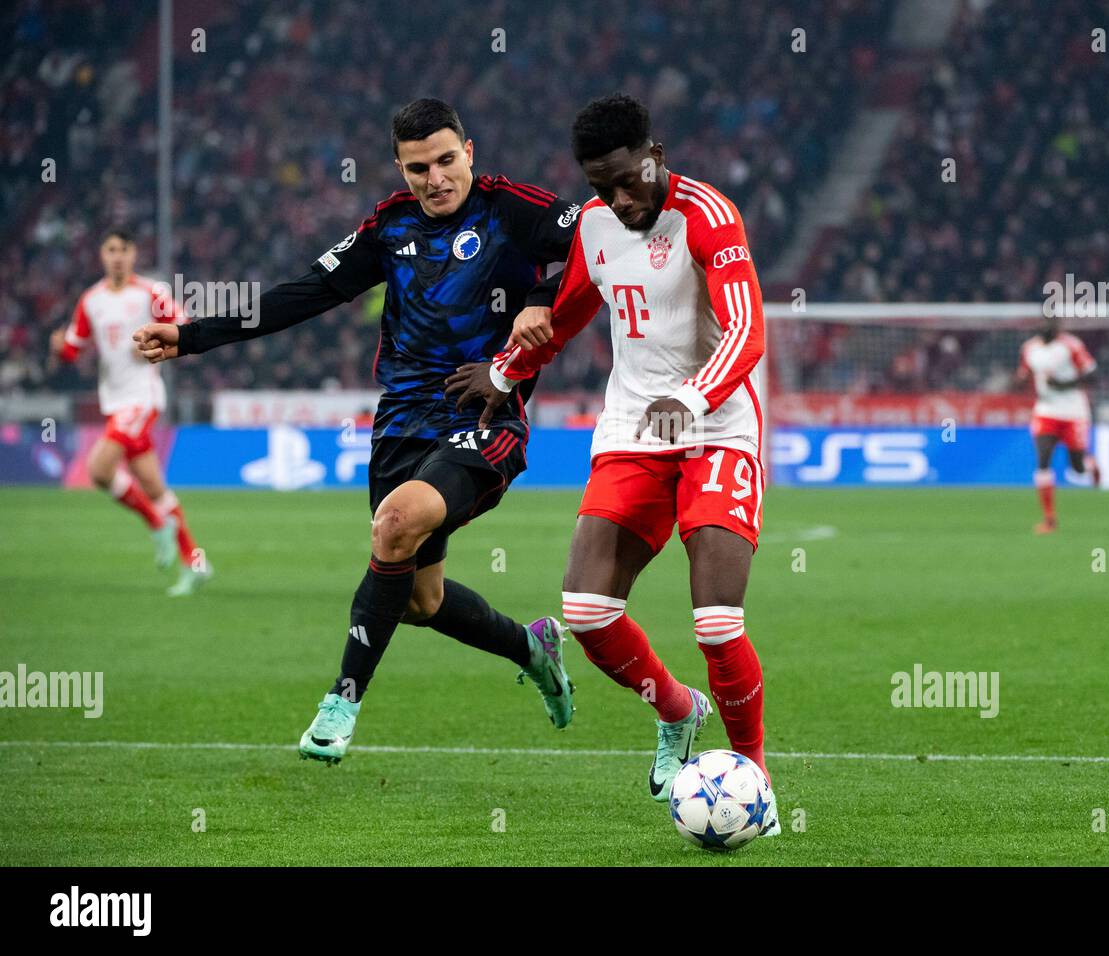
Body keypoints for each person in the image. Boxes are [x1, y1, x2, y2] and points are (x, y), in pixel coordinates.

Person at [134, 98, 583, 762]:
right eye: (417, 168)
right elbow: (303, 292)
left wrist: (541, 299)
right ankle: (529, 646)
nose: (434, 180)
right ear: (400, 169)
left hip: (485, 416)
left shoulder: (510, 208)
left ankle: (340, 704)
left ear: (470, 151)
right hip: (400, 425)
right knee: (421, 599)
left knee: (394, 526)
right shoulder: (390, 227)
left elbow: (593, 238)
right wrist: (193, 336)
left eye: (446, 161)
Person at [449, 93, 778, 835]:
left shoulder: (707, 215)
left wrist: (694, 399)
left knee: (718, 623)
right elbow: (562, 314)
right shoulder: (596, 226)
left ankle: (755, 776)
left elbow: (749, 329)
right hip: (634, 427)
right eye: (602, 185)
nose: (619, 198)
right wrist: (502, 372)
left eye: (628, 179)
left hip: (718, 425)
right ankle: (677, 710)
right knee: (588, 613)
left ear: (654, 154)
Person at [52, 227, 211, 596]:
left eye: (123, 249)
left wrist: (155, 343)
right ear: (101, 255)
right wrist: (58, 348)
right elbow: (73, 351)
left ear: (133, 253)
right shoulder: (90, 300)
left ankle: (157, 525)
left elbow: (184, 326)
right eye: (110, 249)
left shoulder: (150, 292)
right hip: (114, 400)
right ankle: (196, 563)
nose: (117, 256)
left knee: (98, 468)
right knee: (155, 488)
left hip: (143, 397)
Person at [1017, 312, 1101, 533]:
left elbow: (1092, 375)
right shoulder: (1029, 348)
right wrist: (1020, 380)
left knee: (1077, 467)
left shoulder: (1071, 345)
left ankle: (1090, 464)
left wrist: (1065, 384)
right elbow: (1023, 374)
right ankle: (1049, 520)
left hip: (1074, 410)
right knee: (1043, 460)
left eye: (1054, 322)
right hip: (1046, 410)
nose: (1050, 325)